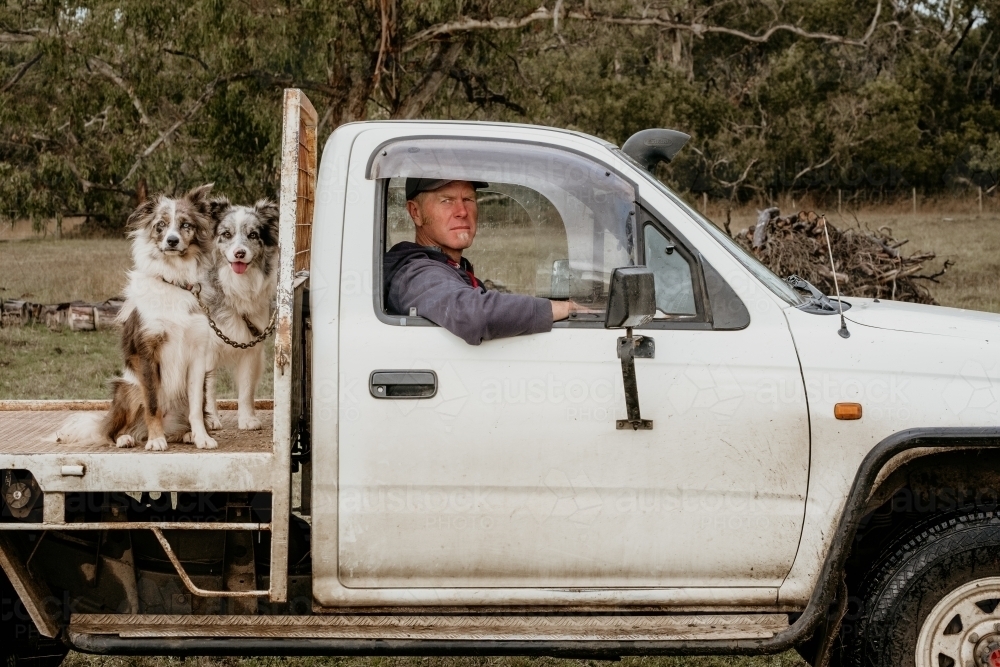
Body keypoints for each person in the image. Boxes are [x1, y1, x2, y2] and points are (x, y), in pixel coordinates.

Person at [384, 178, 581, 345]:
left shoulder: (451, 268)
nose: (462, 211)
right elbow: (470, 314)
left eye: (468, 199)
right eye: (446, 200)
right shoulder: (416, 274)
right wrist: (565, 308)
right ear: (415, 212)